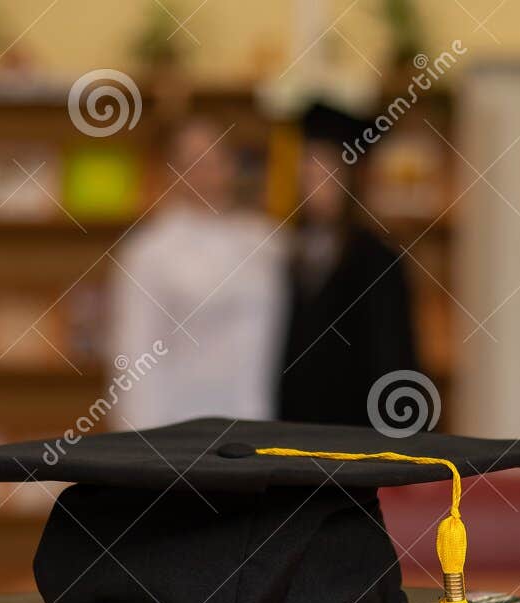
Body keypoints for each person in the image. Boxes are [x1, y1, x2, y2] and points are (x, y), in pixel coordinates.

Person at [109, 119, 285, 430]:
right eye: (191, 162)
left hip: (260, 422)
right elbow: (134, 350)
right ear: (170, 170)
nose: (205, 172)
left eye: (215, 159)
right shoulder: (149, 251)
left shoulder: (264, 241)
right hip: (180, 428)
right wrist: (141, 443)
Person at [277, 101, 421, 426]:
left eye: (325, 171)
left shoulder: (377, 261)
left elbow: (394, 360)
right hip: (290, 436)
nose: (312, 183)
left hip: (356, 439)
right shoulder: (285, 254)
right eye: (307, 169)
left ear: (349, 178)